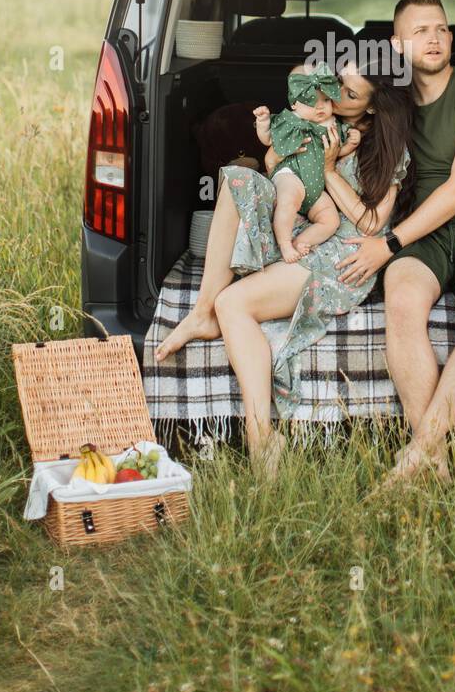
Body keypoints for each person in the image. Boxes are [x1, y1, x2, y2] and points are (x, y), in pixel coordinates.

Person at [153, 70, 413, 479]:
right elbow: (273, 162)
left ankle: (261, 436)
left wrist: (328, 169)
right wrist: (287, 158)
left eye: (347, 92)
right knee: (237, 177)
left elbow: (370, 223)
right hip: (299, 229)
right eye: (333, 85)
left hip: (342, 258)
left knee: (233, 303)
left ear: (373, 105)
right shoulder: (317, 120)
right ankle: (202, 311)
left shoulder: (386, 149)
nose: (333, 95)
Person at [336, 0, 455, 485]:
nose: (434, 37)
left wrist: (388, 244)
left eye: (441, 28)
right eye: (419, 30)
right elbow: (324, 105)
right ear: (397, 46)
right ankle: (435, 463)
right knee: (400, 300)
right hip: (424, 237)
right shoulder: (390, 106)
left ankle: (419, 452)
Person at [254, 61, 360, 262]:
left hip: (316, 188)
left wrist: (350, 144)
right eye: (311, 101)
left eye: (326, 100)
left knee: (331, 220)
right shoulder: (291, 120)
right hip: (291, 175)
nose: (320, 106)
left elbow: (335, 152)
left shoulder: (334, 126)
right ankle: (284, 244)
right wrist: (263, 123)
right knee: (288, 201)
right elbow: (268, 140)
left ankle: (301, 241)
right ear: (294, 103)